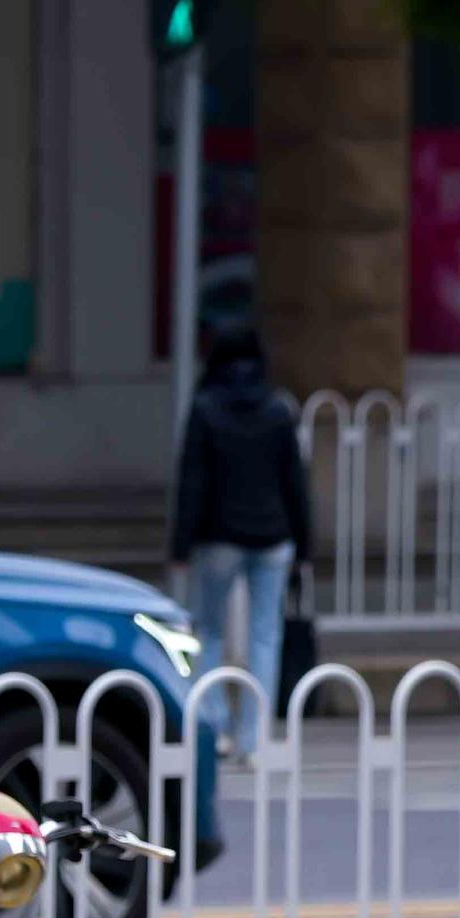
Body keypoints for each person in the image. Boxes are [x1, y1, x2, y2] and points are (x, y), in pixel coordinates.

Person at [169, 323, 311, 755]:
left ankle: (217, 728)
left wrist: (180, 545)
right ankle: (255, 737)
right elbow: (295, 483)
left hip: (219, 538)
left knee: (208, 633)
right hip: (273, 537)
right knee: (265, 636)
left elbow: (192, 481)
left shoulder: (206, 407)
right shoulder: (276, 409)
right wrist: (304, 544)